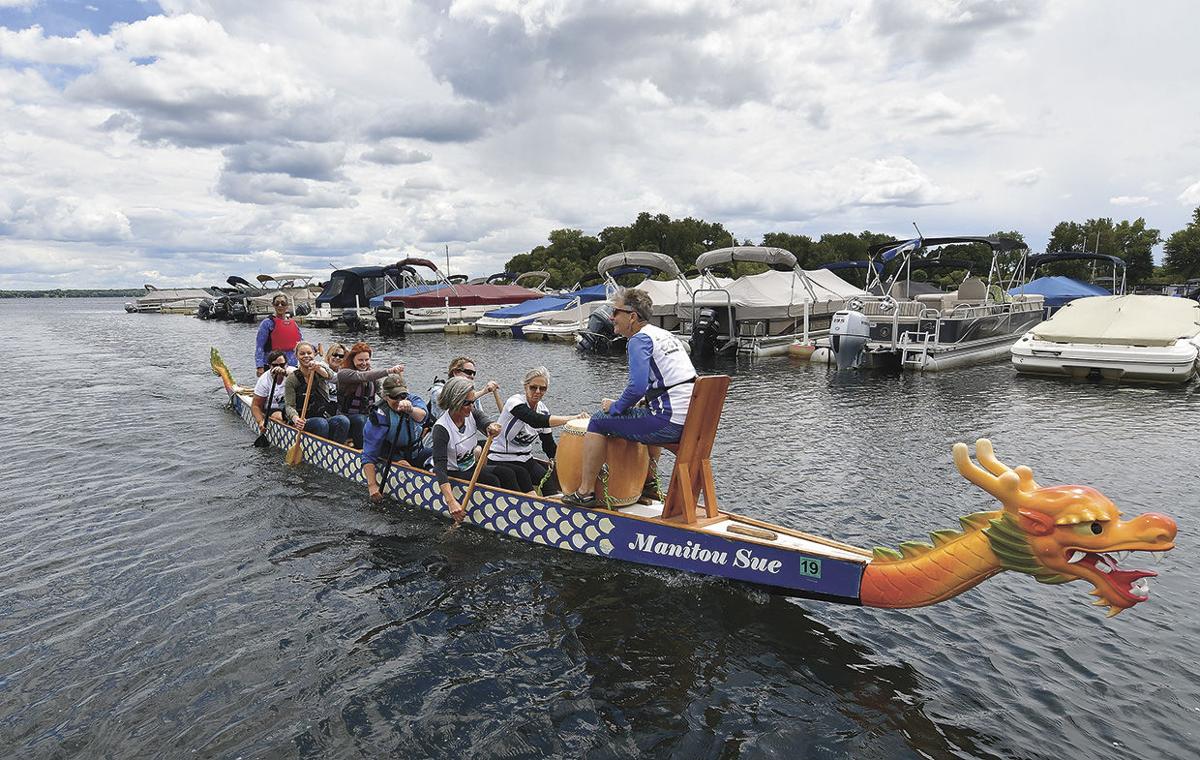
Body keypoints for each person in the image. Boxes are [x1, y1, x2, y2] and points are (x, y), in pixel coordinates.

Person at [563, 287, 696, 508]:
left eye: (615, 312)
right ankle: (649, 483)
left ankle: (584, 493)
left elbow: (636, 388)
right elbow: (669, 383)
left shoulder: (639, 340)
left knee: (598, 421)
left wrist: (614, 407)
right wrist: (638, 402)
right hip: (689, 422)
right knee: (639, 413)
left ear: (632, 317)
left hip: (668, 422)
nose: (611, 317)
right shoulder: (665, 335)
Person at [431, 377, 521, 522]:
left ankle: (520, 509)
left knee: (507, 473)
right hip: (453, 473)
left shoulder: (471, 412)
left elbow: (484, 421)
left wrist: (491, 427)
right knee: (492, 480)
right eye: (467, 403)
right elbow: (439, 469)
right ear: (455, 401)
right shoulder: (441, 429)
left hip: (471, 467)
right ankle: (500, 517)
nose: (471, 406)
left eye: (472, 402)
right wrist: (451, 501)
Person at [488, 367, 587, 494]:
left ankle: (557, 502)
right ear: (525, 387)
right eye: (533, 387)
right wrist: (572, 418)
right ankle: (530, 504)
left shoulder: (543, 410)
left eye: (543, 388)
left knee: (546, 477)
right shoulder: (515, 402)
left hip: (525, 459)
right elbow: (534, 420)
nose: (538, 392)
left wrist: (560, 463)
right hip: (501, 458)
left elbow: (548, 445)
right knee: (522, 475)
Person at [363, 374, 430, 503]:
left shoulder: (414, 400)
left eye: (403, 396)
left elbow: (423, 416)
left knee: (437, 459)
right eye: (394, 397)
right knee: (404, 465)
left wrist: (410, 409)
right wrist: (372, 486)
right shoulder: (380, 415)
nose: (400, 400)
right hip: (390, 453)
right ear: (385, 396)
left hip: (415, 450)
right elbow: (369, 454)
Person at [337, 341, 404, 449]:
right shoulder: (344, 374)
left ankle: (392, 449)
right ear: (352, 359)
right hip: (347, 416)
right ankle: (363, 451)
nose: (364, 363)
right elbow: (362, 376)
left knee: (387, 417)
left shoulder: (373, 377)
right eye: (360, 360)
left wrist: (397, 400)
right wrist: (389, 371)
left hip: (367, 414)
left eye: (366, 360)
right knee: (361, 420)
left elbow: (382, 393)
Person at [284, 342, 350, 443]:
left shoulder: (319, 371)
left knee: (343, 420)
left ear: (314, 354)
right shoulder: (292, 379)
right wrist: (296, 419)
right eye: (302, 354)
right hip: (303, 420)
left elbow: (331, 376)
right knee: (321, 423)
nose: (306, 356)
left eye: (309, 353)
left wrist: (318, 368)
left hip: (321, 416)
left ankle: (336, 449)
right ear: (296, 356)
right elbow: (289, 406)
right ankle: (321, 450)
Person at [255, 294, 303, 375]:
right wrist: (259, 366)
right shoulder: (267, 323)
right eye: (277, 303)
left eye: (283, 303)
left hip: (292, 364)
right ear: (273, 305)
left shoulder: (293, 323)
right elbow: (259, 346)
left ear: (287, 306)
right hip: (274, 364)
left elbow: (301, 342)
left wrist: (313, 350)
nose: (280, 305)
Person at [252, 350, 293, 432]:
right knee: (279, 417)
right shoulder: (264, 380)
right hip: (272, 409)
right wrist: (260, 422)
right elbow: (256, 406)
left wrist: (285, 373)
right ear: (269, 365)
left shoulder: (292, 372)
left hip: (292, 407)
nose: (278, 368)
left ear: (286, 364)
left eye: (282, 365)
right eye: (275, 365)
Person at [323, 343, 347, 417]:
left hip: (339, 406)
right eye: (334, 354)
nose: (337, 358)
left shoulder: (345, 371)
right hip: (325, 405)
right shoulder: (321, 367)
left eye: (341, 356)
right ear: (329, 355)